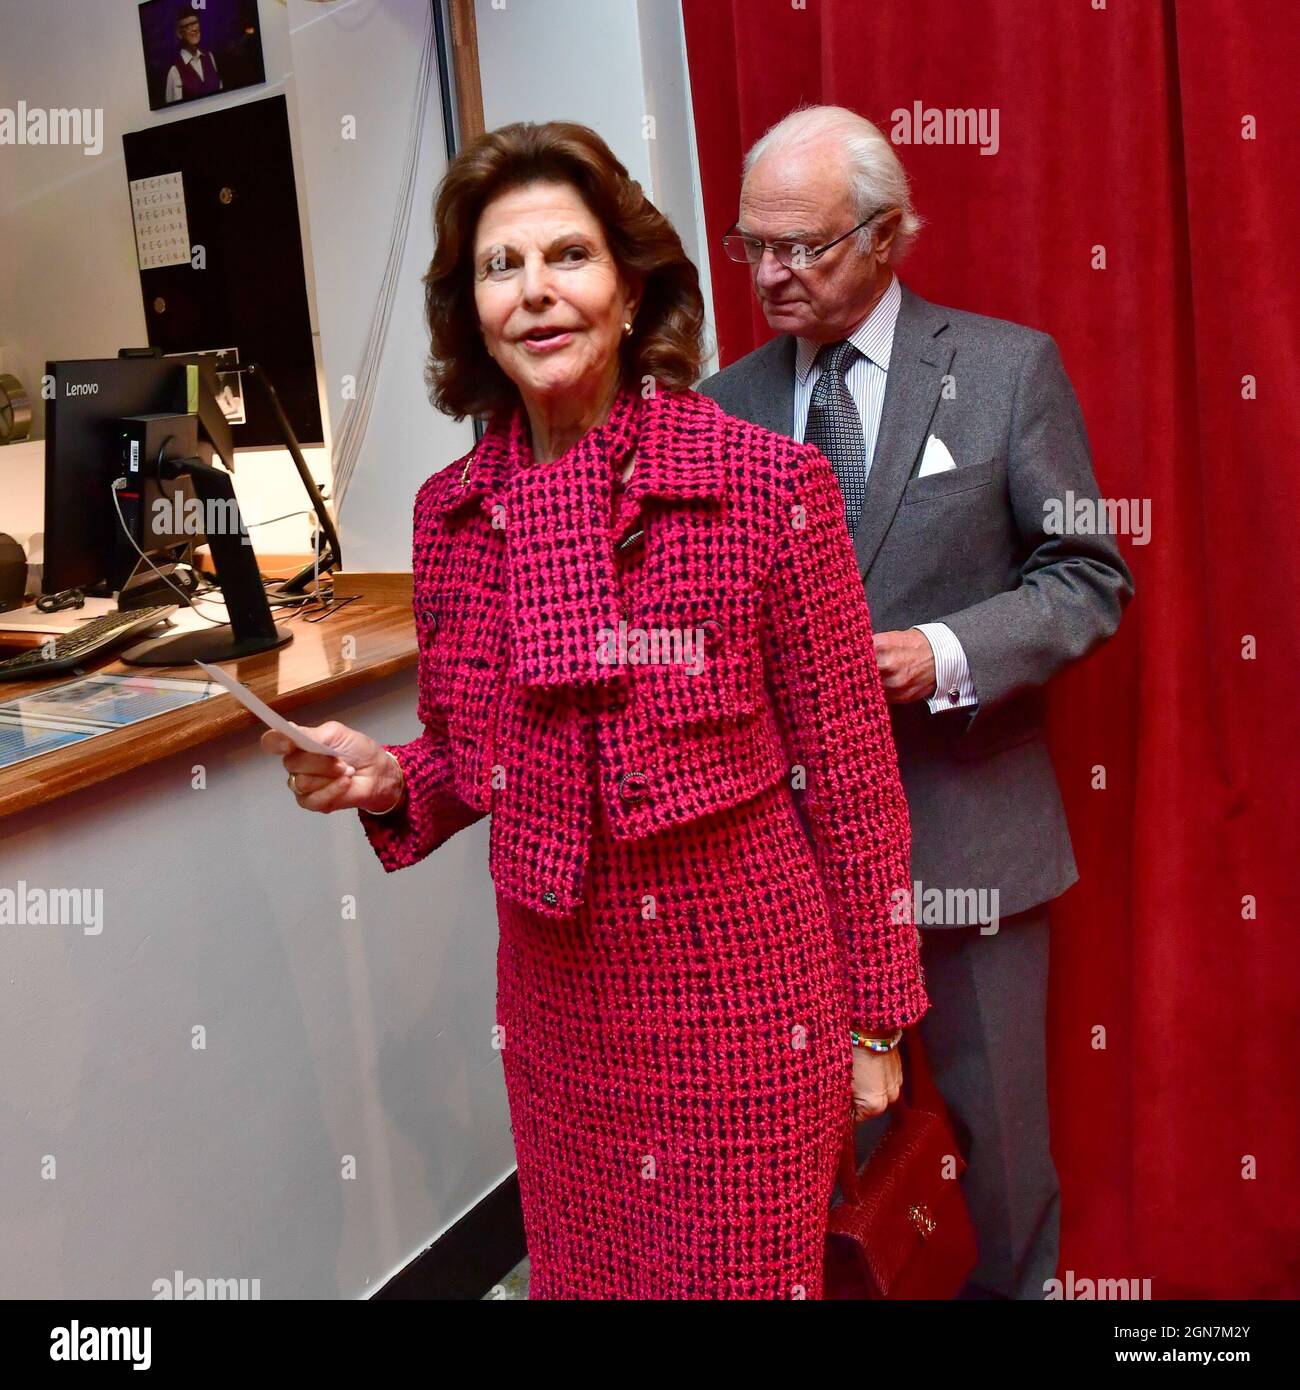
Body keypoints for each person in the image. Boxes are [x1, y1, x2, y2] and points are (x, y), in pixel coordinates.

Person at [260, 119, 928, 1299]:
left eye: (567, 256)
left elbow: (857, 780)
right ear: (470, 313)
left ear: (629, 289)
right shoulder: (452, 516)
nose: (535, 292)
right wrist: (386, 776)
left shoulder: (766, 486)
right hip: (561, 1014)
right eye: (499, 267)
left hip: (744, 1005)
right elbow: (476, 759)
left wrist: (876, 1023)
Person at [696, 104, 1135, 1299]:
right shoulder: (719, 404)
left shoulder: (1004, 370)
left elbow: (1090, 572)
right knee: (807, 1180)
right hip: (778, 868)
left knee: (999, 1166)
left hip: (969, 839)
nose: (772, 276)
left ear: (885, 236)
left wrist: (935, 652)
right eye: (753, 249)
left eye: (804, 248)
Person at [164, 7, 222, 105]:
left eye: (195, 23)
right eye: (187, 26)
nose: (194, 29)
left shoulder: (209, 56)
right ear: (179, 33)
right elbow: (175, 112)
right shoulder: (175, 71)